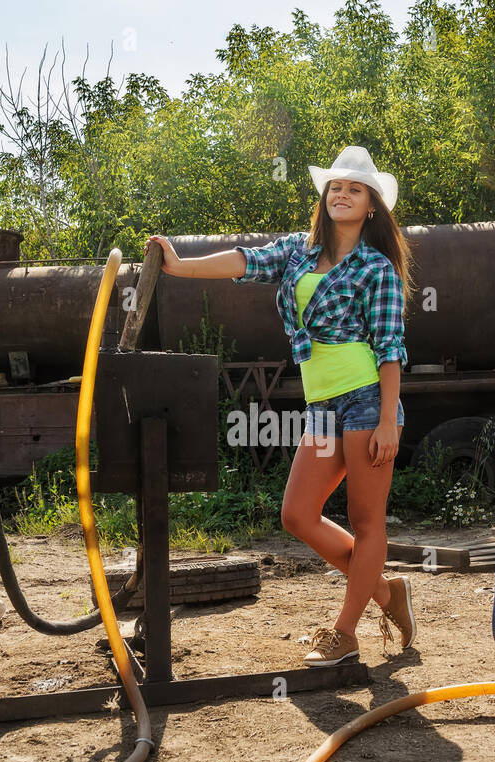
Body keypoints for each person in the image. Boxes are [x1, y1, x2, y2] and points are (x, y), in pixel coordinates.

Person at [145, 145, 418, 666]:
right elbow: (246, 261)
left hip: (364, 402)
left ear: (372, 206)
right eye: (335, 186)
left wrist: (388, 419)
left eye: (354, 189)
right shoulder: (299, 250)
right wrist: (179, 266)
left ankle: (346, 632)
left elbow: (389, 350)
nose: (341, 194)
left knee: (366, 523)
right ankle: (386, 593)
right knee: (297, 515)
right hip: (321, 407)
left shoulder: (376, 268)